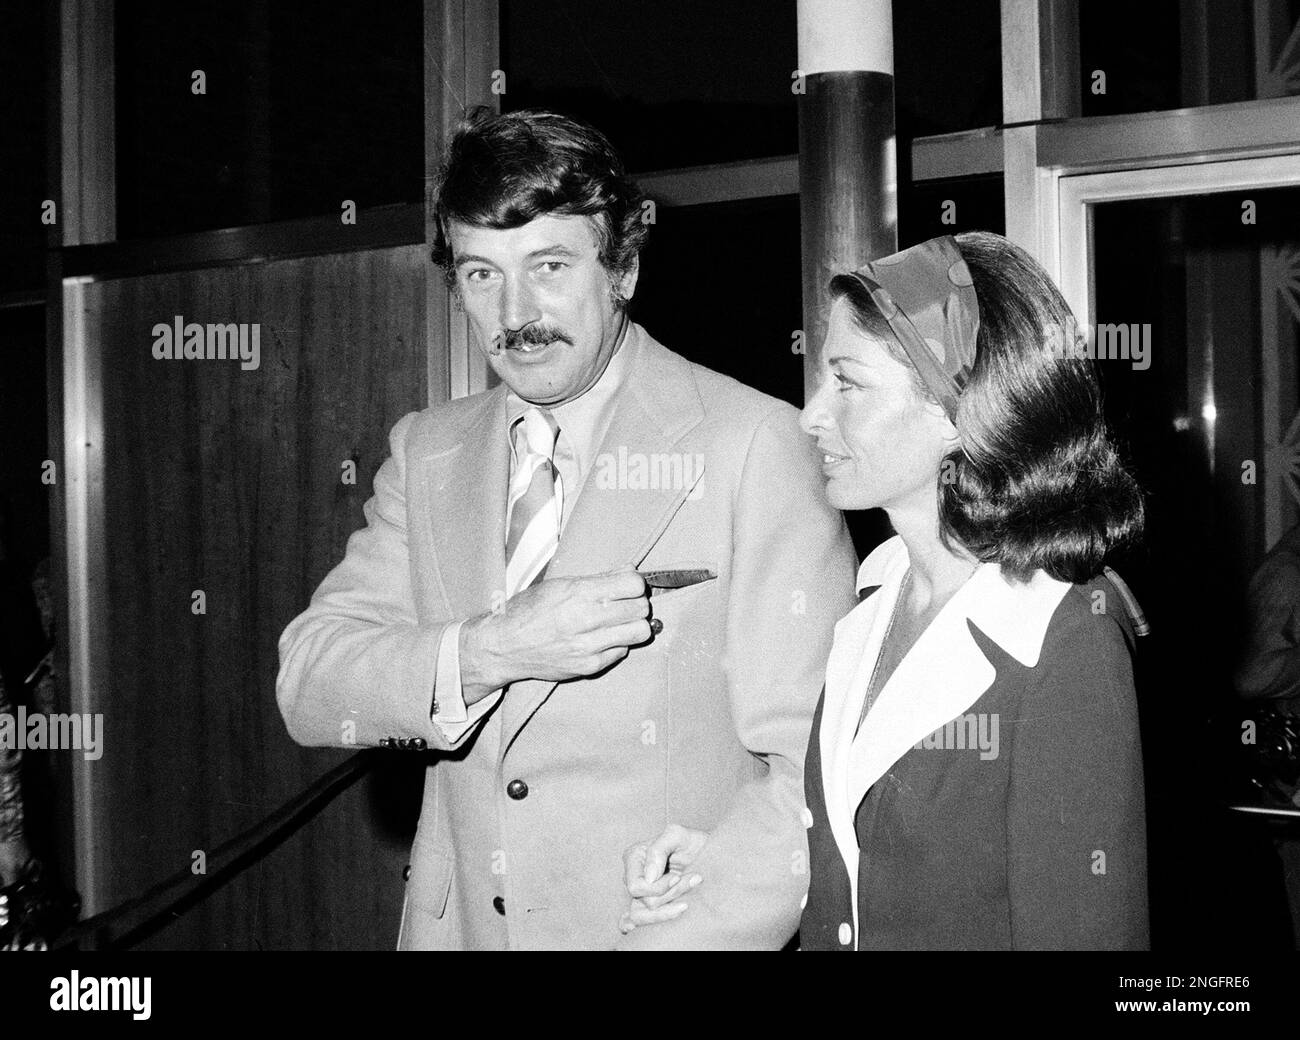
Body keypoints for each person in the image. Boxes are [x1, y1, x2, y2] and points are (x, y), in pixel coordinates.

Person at [276, 108, 857, 950]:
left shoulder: (753, 445)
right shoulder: (427, 450)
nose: (516, 312)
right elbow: (311, 683)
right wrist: (490, 650)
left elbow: (806, 768)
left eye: (549, 266)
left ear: (619, 268)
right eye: (481, 275)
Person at [638, 232, 1152, 948]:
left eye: (847, 383)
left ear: (956, 410)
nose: (812, 414)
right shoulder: (874, 595)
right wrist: (723, 861)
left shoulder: (1063, 639)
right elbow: (862, 852)